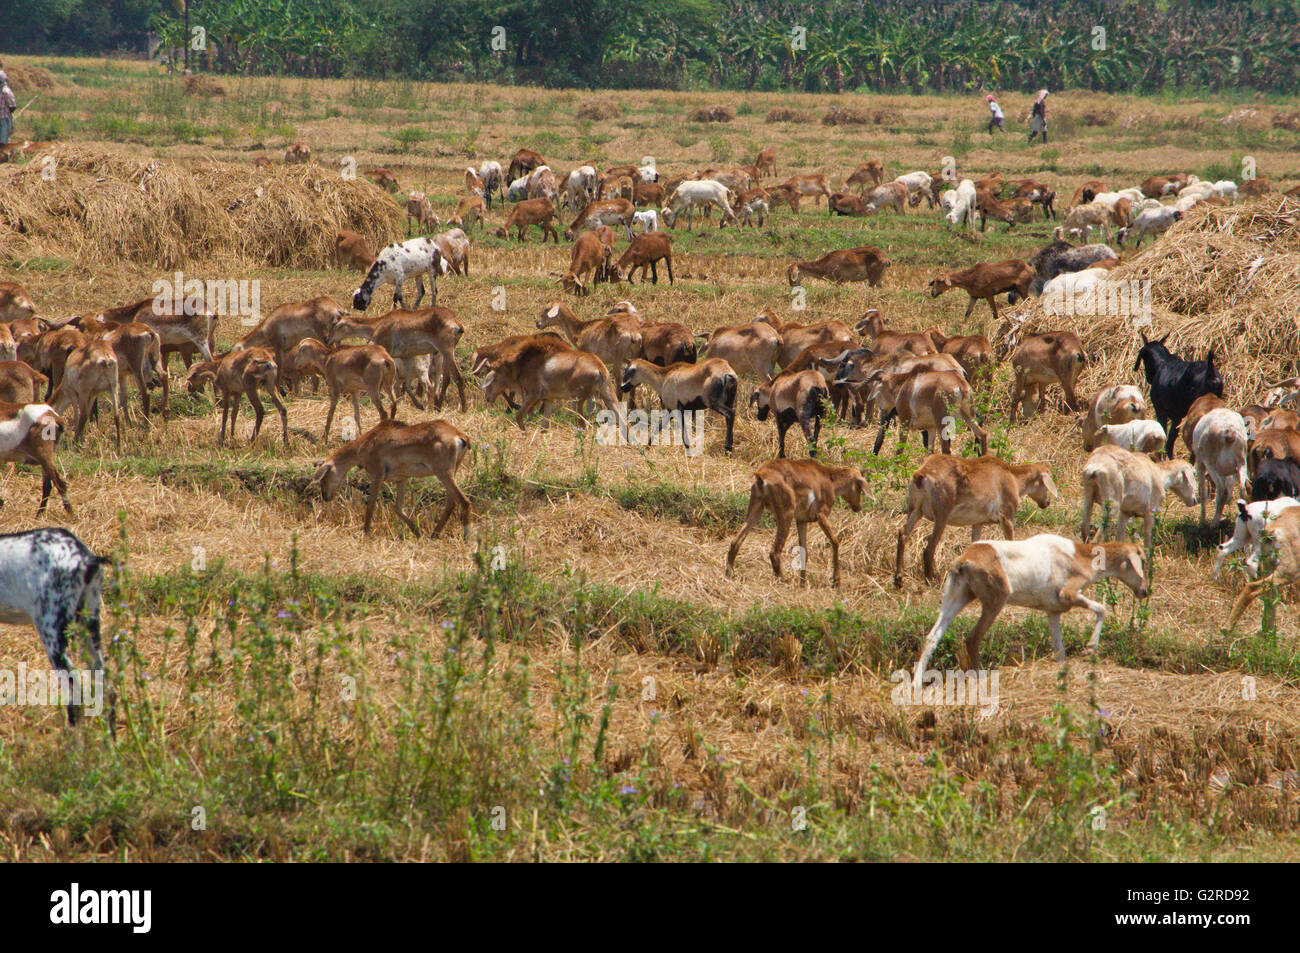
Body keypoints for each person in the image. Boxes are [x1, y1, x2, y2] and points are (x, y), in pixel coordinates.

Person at [0, 71, 17, 148]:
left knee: (3, 139)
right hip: (3, 118)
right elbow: (12, 106)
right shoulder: (4, 90)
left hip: (3, 118)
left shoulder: (5, 91)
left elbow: (12, 106)